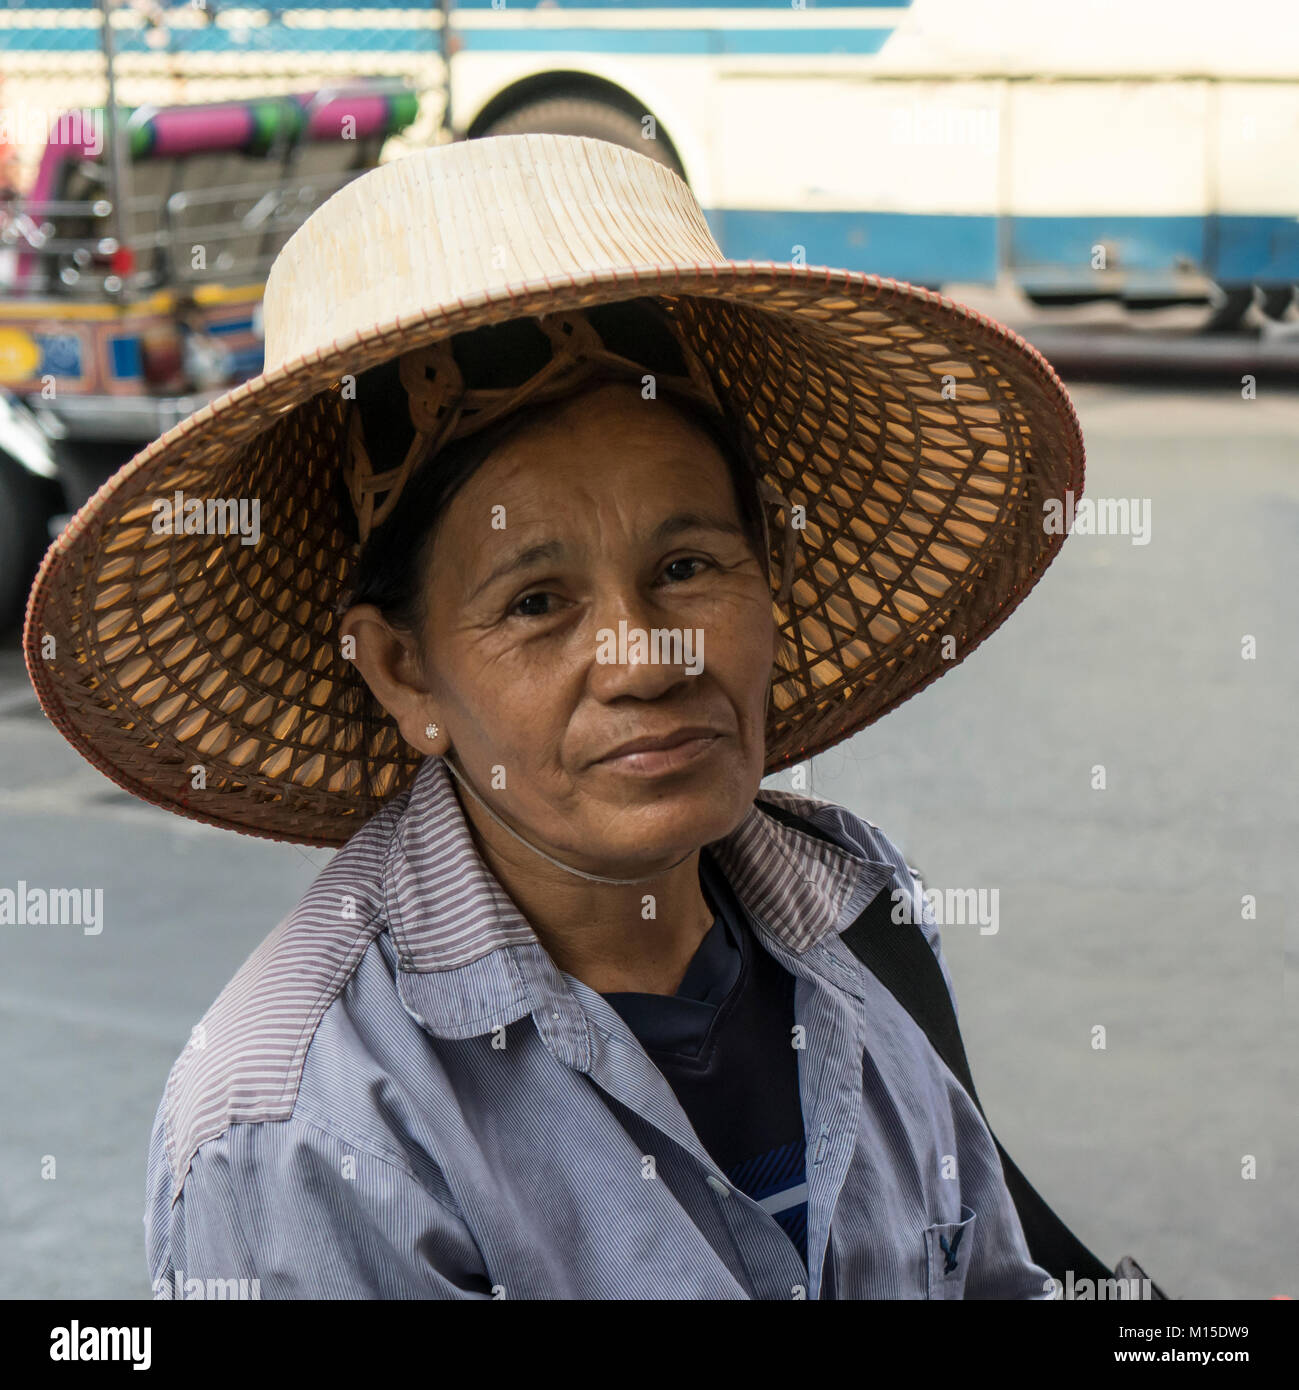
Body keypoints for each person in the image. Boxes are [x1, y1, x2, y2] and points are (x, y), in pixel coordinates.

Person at [23, 133, 1086, 1299]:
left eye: (688, 566)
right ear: (404, 674)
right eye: (537, 602)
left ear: (770, 575)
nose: (643, 659)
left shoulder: (855, 915)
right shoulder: (306, 1125)